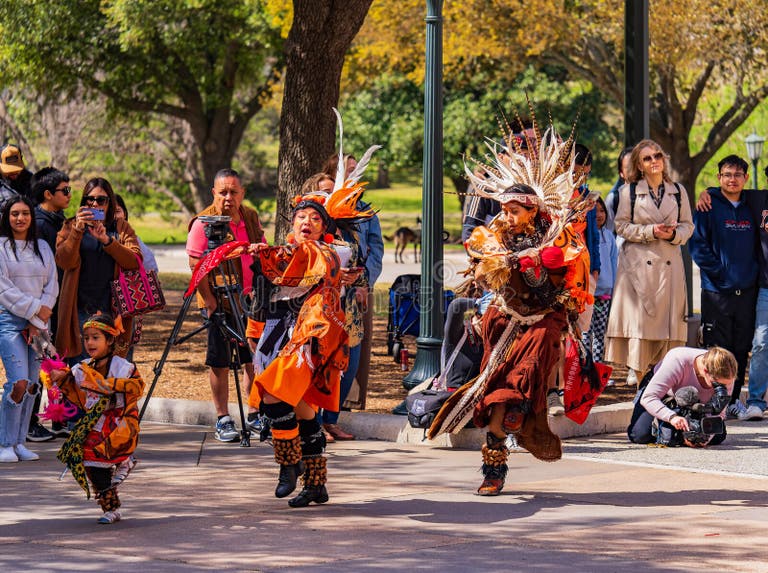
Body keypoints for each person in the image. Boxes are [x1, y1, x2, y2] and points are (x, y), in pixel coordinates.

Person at [429, 123, 594, 496]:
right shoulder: (496, 234)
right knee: (496, 389)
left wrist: (532, 260)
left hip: (543, 320)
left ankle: (522, 419)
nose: (506, 214)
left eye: (514, 208)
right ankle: (494, 468)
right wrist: (505, 265)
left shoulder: (556, 232)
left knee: (527, 373)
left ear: (532, 208)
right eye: (503, 208)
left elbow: (565, 259)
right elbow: (482, 256)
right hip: (504, 319)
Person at [248, 175, 374, 508]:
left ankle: (289, 464)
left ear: (325, 225)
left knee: (273, 396)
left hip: (310, 338)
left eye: (315, 218)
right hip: (278, 334)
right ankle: (316, 484)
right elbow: (264, 293)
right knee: (303, 410)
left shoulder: (335, 253)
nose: (307, 222)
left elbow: (335, 279)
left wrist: (346, 277)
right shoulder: (282, 252)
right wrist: (254, 329)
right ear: (292, 222)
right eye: (301, 217)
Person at [604, 139, 694, 385]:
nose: (654, 161)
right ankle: (643, 397)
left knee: (669, 337)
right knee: (641, 338)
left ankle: (663, 393)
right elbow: (620, 227)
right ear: (639, 166)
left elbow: (688, 226)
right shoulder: (627, 192)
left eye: (657, 155)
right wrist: (651, 231)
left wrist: (674, 234)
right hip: (639, 272)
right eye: (647, 158)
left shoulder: (679, 191)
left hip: (670, 269)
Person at [186, 168, 265, 442]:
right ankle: (223, 418)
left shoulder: (250, 217)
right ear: (214, 193)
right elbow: (196, 265)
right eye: (223, 192)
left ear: (242, 193)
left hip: (250, 301)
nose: (228, 198)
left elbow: (262, 249)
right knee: (219, 361)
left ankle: (254, 413)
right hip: (218, 301)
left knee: (253, 359)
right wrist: (209, 301)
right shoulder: (203, 222)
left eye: (234, 192)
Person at [50, 313, 145, 524]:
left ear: (110, 340)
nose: (90, 342)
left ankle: (124, 461)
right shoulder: (82, 368)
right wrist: (59, 379)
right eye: (86, 338)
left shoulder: (123, 367)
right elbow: (74, 391)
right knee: (91, 464)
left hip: (119, 422)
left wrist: (108, 386)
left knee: (98, 459)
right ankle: (111, 508)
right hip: (95, 423)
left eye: (95, 337)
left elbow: (137, 387)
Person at [689, 155, 759, 421]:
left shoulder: (752, 205)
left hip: (747, 291)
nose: (732, 179)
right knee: (718, 348)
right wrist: (721, 275)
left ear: (746, 178)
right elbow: (698, 247)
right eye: (727, 175)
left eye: (737, 175)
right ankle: (714, 400)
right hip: (716, 292)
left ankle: (732, 401)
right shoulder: (708, 207)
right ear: (719, 178)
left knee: (741, 348)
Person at [320, 152, 384, 435]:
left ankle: (331, 419)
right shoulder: (321, 205)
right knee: (321, 356)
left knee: (351, 356)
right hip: (322, 295)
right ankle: (313, 420)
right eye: (348, 171)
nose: (354, 175)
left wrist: (364, 282)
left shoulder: (365, 210)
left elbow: (376, 248)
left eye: (356, 170)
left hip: (354, 295)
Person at [55, 177, 142, 362]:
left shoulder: (120, 227)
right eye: (90, 199)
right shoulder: (71, 226)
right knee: (81, 367)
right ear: (84, 201)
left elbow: (135, 261)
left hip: (114, 310)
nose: (95, 203)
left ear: (109, 202)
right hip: (79, 309)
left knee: (112, 367)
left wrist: (107, 241)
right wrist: (77, 231)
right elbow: (64, 261)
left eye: (101, 200)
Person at [0, 196, 58, 463]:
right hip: (10, 322)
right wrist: (35, 309)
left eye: (24, 213)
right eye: (14, 214)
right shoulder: (1, 247)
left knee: (33, 384)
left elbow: (52, 284)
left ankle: (20, 442)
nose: (20, 218)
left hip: (38, 325)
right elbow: (4, 289)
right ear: (6, 217)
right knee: (18, 382)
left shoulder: (43, 247)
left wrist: (39, 317)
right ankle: (5, 443)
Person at [25, 167, 72, 442]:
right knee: (39, 361)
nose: (69, 195)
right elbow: (45, 268)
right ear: (47, 194)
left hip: (53, 301)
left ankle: (53, 418)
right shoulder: (41, 224)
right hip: (42, 305)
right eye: (64, 191)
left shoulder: (56, 219)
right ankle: (30, 423)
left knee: (50, 360)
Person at [627, 346, 735, 447]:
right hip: (664, 393)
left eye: (726, 384)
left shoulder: (726, 373)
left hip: (695, 402)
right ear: (706, 371)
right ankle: (662, 424)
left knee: (718, 435)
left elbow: (719, 413)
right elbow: (648, 398)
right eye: (716, 384)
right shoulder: (678, 360)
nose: (724, 387)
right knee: (639, 435)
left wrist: (704, 438)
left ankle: (678, 434)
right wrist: (671, 417)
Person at [582, 197, 618, 367]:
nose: (599, 214)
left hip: (604, 293)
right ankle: (584, 368)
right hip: (587, 293)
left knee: (599, 333)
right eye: (594, 211)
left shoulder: (609, 237)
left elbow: (613, 263)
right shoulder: (583, 236)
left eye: (602, 210)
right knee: (585, 333)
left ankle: (597, 369)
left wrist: (613, 288)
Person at [604, 147, 634, 233]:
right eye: (629, 168)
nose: (634, 171)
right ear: (621, 173)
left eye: (636, 165)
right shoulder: (614, 199)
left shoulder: (655, 194)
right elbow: (608, 233)